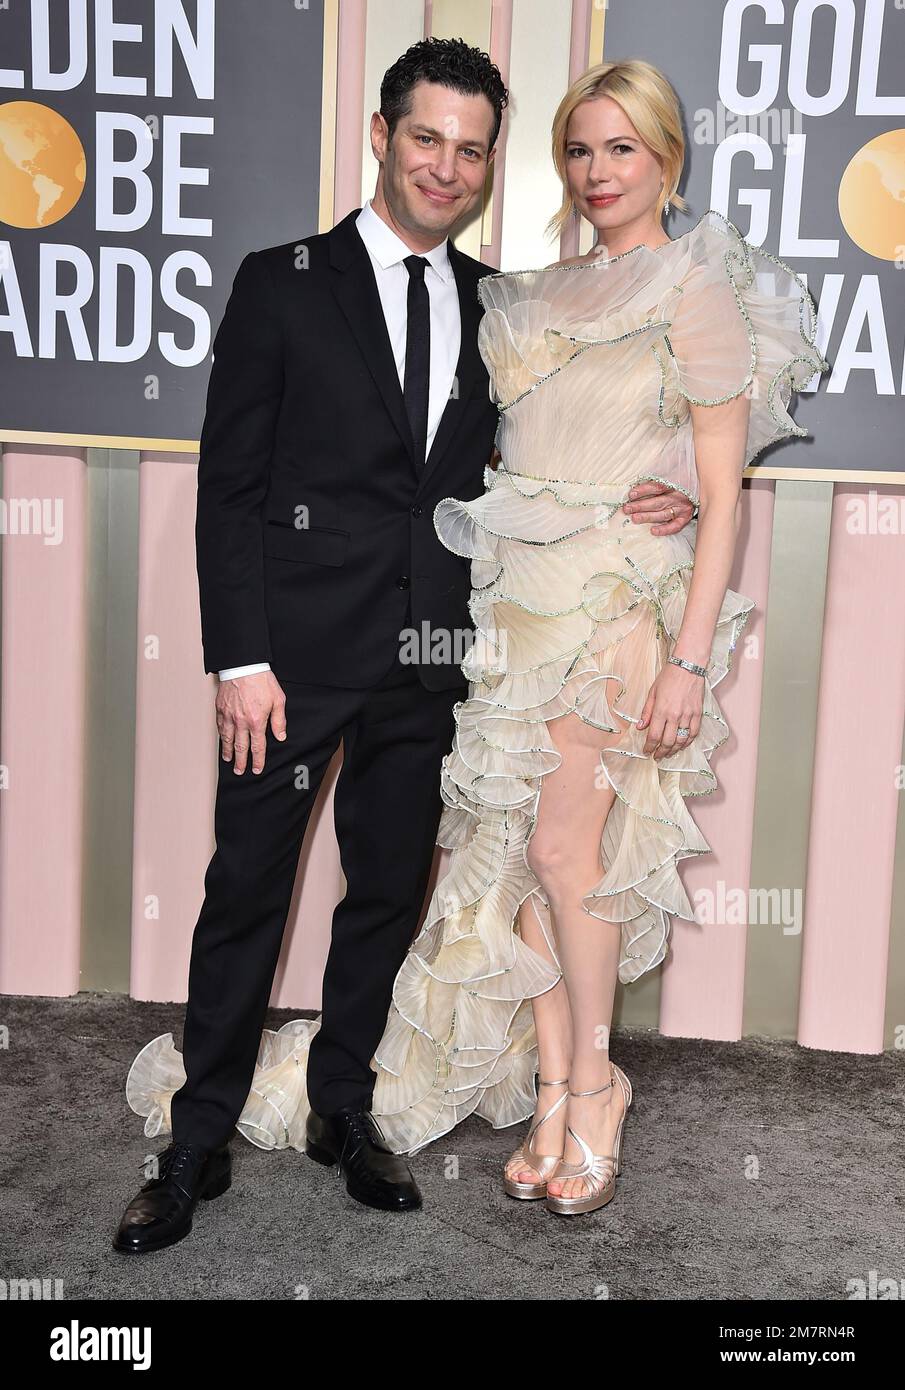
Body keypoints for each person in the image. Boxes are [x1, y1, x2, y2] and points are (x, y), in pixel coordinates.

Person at [114, 40, 696, 1254]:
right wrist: (239, 660)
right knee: (246, 895)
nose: (446, 165)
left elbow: (550, 457)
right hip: (289, 664)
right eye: (425, 137)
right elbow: (229, 489)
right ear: (379, 137)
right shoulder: (281, 282)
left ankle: (342, 1107)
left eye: (471, 147)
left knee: (382, 893)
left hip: (435, 657)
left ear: (489, 165)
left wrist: (674, 484)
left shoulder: (497, 304)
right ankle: (196, 1137)